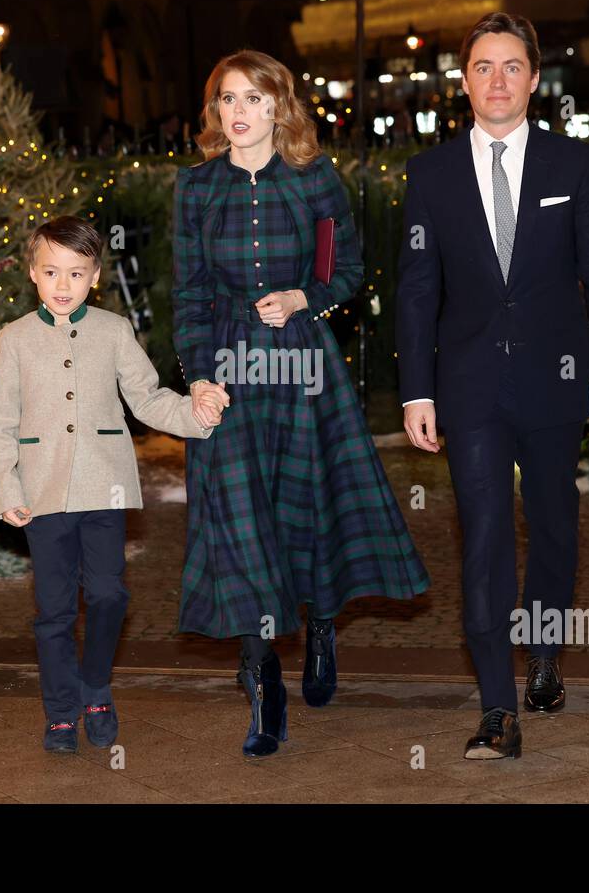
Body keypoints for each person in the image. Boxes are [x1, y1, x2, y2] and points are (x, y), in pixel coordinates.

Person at [172, 49, 430, 759]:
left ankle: (319, 626)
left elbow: (347, 272)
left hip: (302, 366)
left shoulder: (316, 180)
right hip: (228, 366)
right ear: (215, 111)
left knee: (306, 508)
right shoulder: (196, 189)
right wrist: (197, 377)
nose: (239, 112)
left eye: (254, 98)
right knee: (237, 518)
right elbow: (188, 294)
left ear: (279, 106)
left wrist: (302, 298)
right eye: (227, 99)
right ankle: (261, 680)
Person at [397, 13, 589, 760]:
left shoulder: (573, 165)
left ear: (534, 78)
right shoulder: (430, 174)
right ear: (464, 79)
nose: (497, 80)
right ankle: (497, 707)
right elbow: (415, 290)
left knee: (555, 526)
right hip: (468, 388)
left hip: (557, 378)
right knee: (486, 533)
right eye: (483, 66)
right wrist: (415, 390)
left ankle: (546, 650)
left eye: (512, 66)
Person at [0, 216, 221, 753]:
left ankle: (96, 687)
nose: (62, 285)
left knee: (110, 594)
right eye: (51, 272)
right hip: (41, 494)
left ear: (94, 278)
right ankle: (62, 712)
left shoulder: (113, 331)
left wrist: (196, 415)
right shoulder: (14, 339)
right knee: (55, 610)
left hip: (105, 487)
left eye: (75, 273)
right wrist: (7, 489)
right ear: (32, 275)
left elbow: (147, 396)